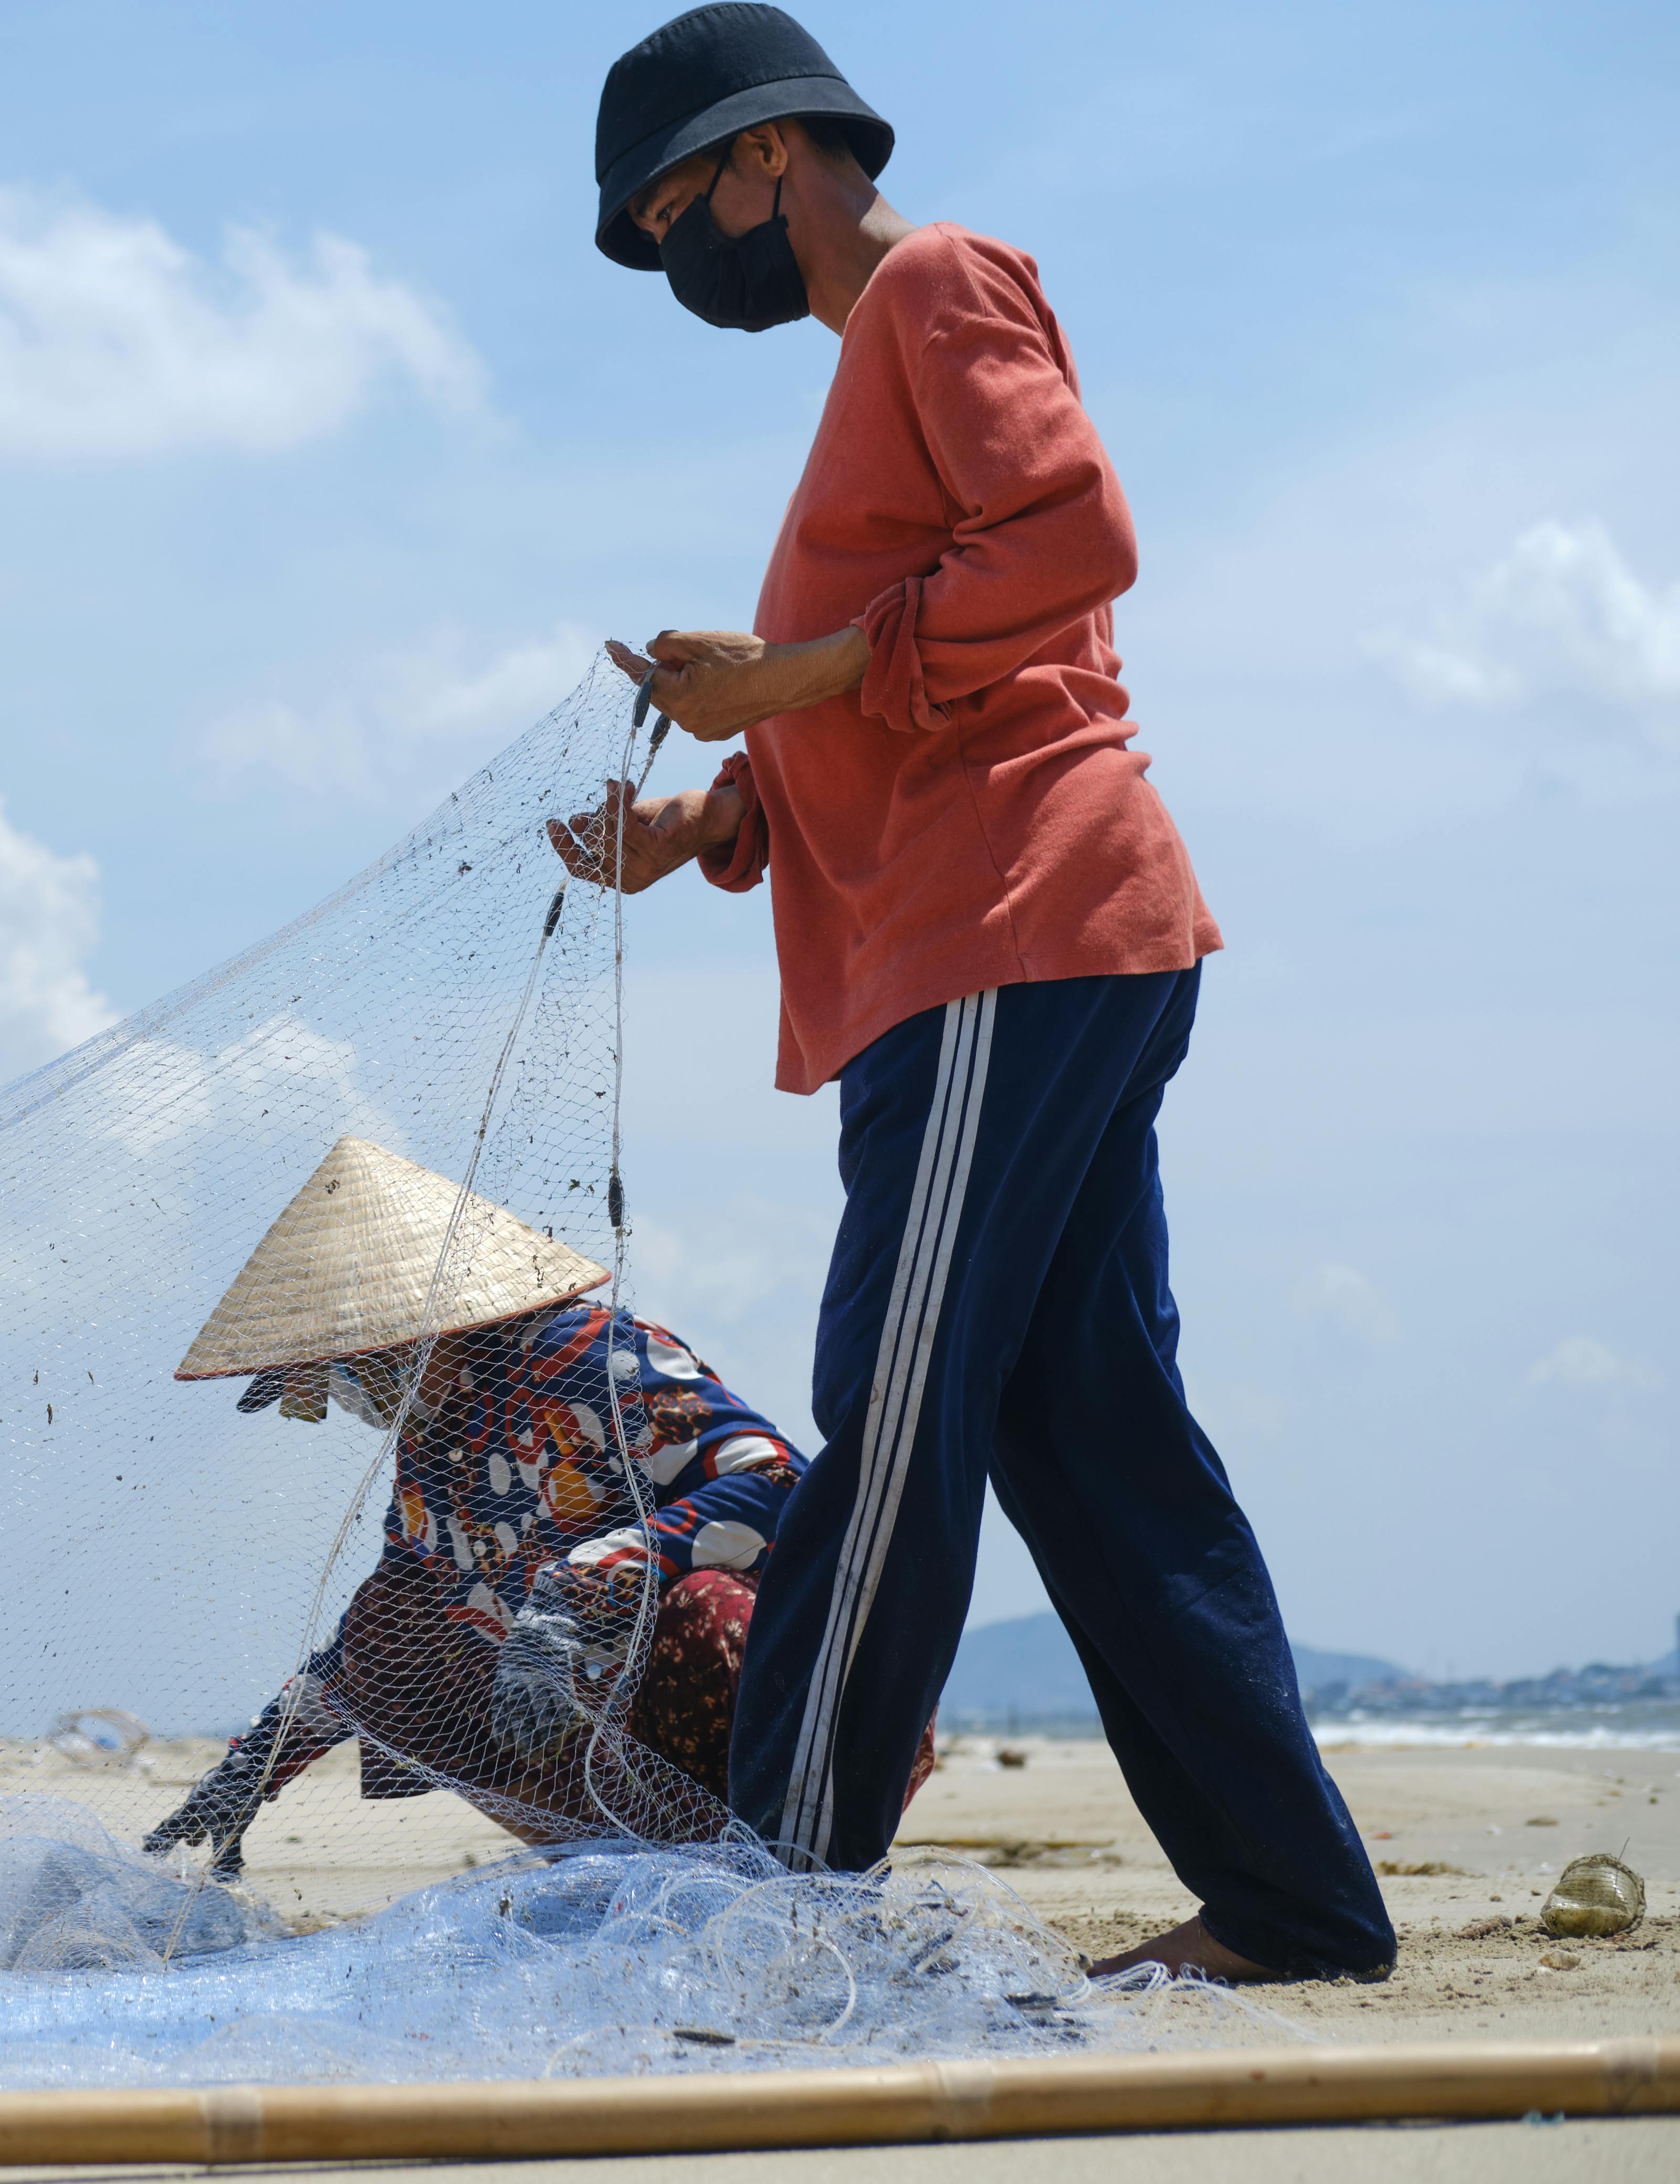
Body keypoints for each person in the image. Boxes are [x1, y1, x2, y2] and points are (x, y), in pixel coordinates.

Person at [547, 7, 1392, 1982]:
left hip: (1009, 932)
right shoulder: (875, 373)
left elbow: (1082, 533)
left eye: (683, 205)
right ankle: (1292, 1909)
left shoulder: (935, 279)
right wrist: (711, 810)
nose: (686, 251)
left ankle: (773, 1889)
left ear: (774, 160)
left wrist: (792, 673)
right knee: (1097, 1440)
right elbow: (915, 678)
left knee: (905, 1399)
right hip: (1038, 934)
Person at [143, 1138, 925, 1877]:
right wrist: (254, 1768)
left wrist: (575, 1592)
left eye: (352, 1376)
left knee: (702, 1612)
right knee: (397, 1639)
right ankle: (612, 1865)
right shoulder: (434, 1438)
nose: (355, 1403)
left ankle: (789, 1862)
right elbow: (385, 1623)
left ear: (421, 1335)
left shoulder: (596, 1360)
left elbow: (783, 1484)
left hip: (811, 1704)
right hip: (604, 1726)